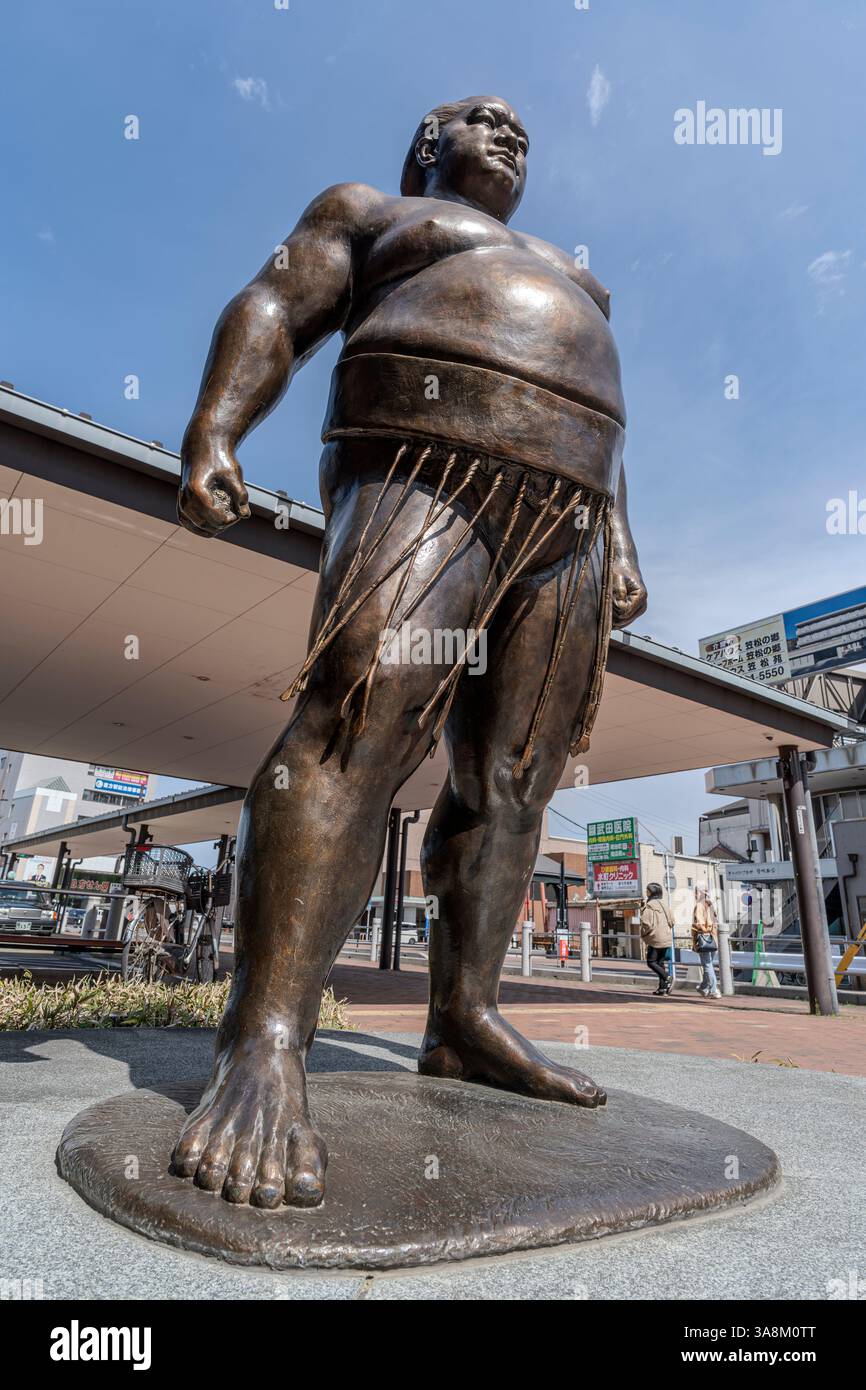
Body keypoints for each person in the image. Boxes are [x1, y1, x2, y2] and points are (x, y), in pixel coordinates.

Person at [173, 94, 648, 1210]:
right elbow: (273, 304)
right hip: (429, 463)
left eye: (521, 125)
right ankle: (265, 1038)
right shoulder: (371, 210)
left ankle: (464, 1018)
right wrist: (213, 429)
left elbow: (608, 410)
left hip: (569, 514)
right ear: (428, 143)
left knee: (515, 779)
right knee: (358, 720)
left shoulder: (573, 270)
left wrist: (621, 532)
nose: (509, 131)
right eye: (481, 117)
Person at [639, 883, 674, 995]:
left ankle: (667, 977)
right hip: (666, 937)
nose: (646, 892)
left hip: (655, 938)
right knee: (660, 963)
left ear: (651, 892)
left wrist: (644, 934)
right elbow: (672, 921)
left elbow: (646, 923)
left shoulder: (649, 905)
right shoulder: (665, 905)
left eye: (647, 890)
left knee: (651, 962)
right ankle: (662, 989)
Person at [692, 887, 720, 998]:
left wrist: (697, 928)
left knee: (707, 965)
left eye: (696, 892)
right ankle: (704, 987)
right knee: (709, 965)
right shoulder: (711, 905)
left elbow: (700, 923)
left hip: (704, 939)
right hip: (713, 939)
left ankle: (714, 990)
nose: (694, 894)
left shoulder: (699, 905)